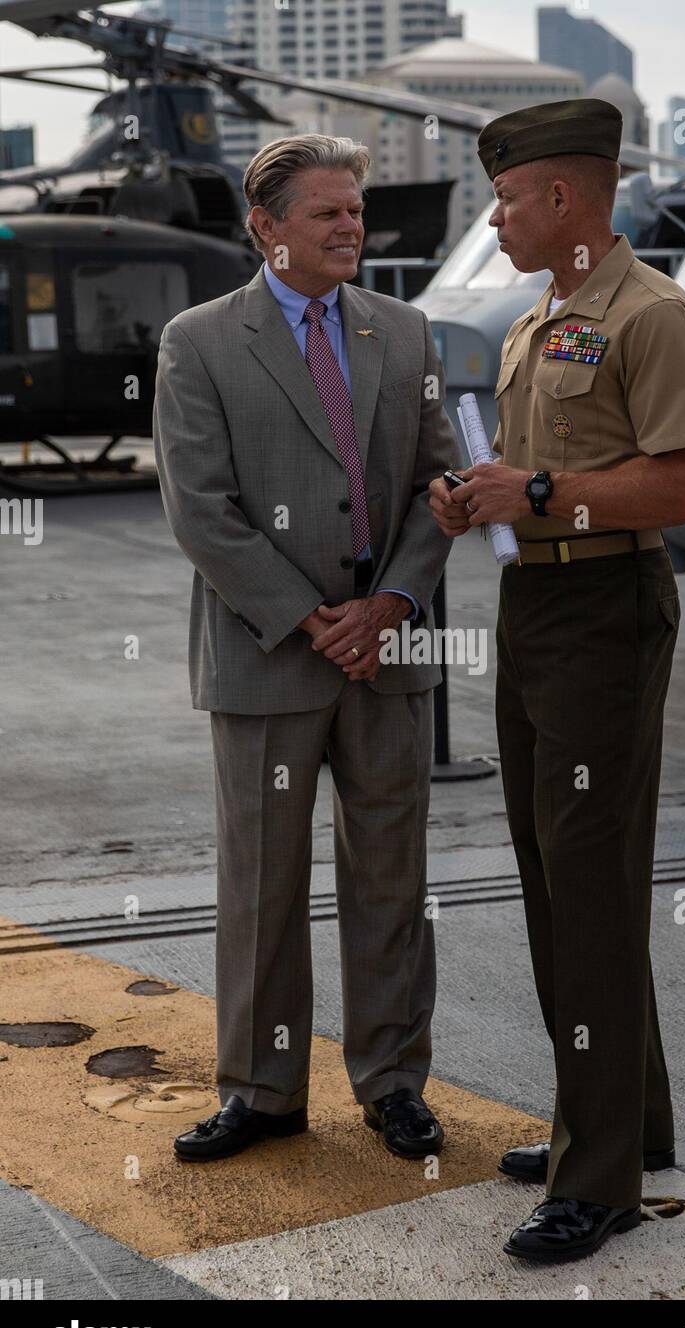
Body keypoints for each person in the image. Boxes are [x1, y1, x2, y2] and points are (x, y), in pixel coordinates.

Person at [429, 98, 685, 1261]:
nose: (493, 215)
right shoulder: (537, 318)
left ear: (562, 198)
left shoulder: (648, 317)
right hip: (537, 606)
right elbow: (540, 472)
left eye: (505, 196)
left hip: (605, 608)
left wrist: (541, 497)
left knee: (589, 885)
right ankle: (621, 1120)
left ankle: (594, 1175)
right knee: (561, 877)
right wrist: (485, 496)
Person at [153, 134, 459, 1164]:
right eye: (327, 212)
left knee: (390, 881)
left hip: (385, 655)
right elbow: (201, 511)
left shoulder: (405, 334)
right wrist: (313, 618)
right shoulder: (198, 342)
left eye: (355, 211)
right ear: (267, 227)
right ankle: (262, 1089)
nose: (350, 228)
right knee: (262, 887)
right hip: (269, 655)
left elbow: (437, 487)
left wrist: (391, 604)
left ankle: (391, 1082)